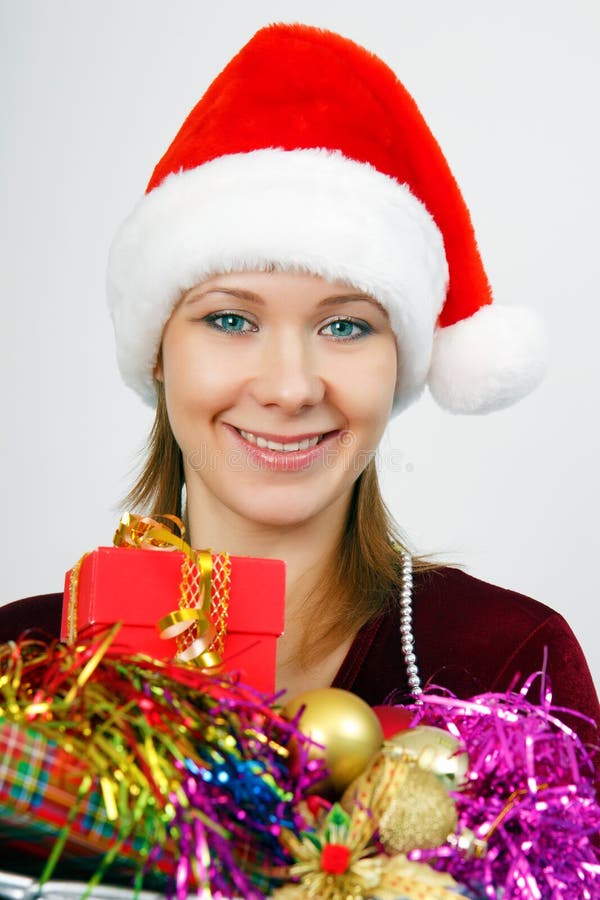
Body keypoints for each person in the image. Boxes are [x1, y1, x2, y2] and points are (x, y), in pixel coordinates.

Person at [1, 23, 598, 751]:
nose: (289, 389)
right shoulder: (23, 666)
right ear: (159, 350)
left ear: (402, 363)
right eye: (229, 319)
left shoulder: (507, 668)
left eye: (344, 327)